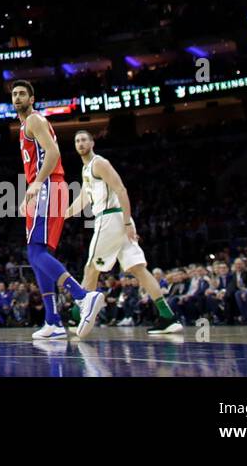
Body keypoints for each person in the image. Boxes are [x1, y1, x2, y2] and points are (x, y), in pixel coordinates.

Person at [67, 130, 183, 334]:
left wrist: (128, 223)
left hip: (111, 218)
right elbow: (84, 199)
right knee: (138, 269)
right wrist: (63, 215)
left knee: (91, 268)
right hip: (118, 220)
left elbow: (121, 190)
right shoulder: (86, 170)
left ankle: (78, 315)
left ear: (92, 143)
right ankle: (167, 317)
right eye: (77, 141)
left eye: (84, 139)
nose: (80, 143)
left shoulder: (99, 163)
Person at [10, 81, 102, 339]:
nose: (17, 98)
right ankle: (53, 321)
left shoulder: (35, 120)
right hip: (45, 186)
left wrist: (37, 183)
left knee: (36, 253)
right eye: (14, 94)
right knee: (39, 255)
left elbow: (53, 153)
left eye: (22, 94)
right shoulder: (25, 126)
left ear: (32, 98)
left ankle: (83, 297)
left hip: (49, 185)